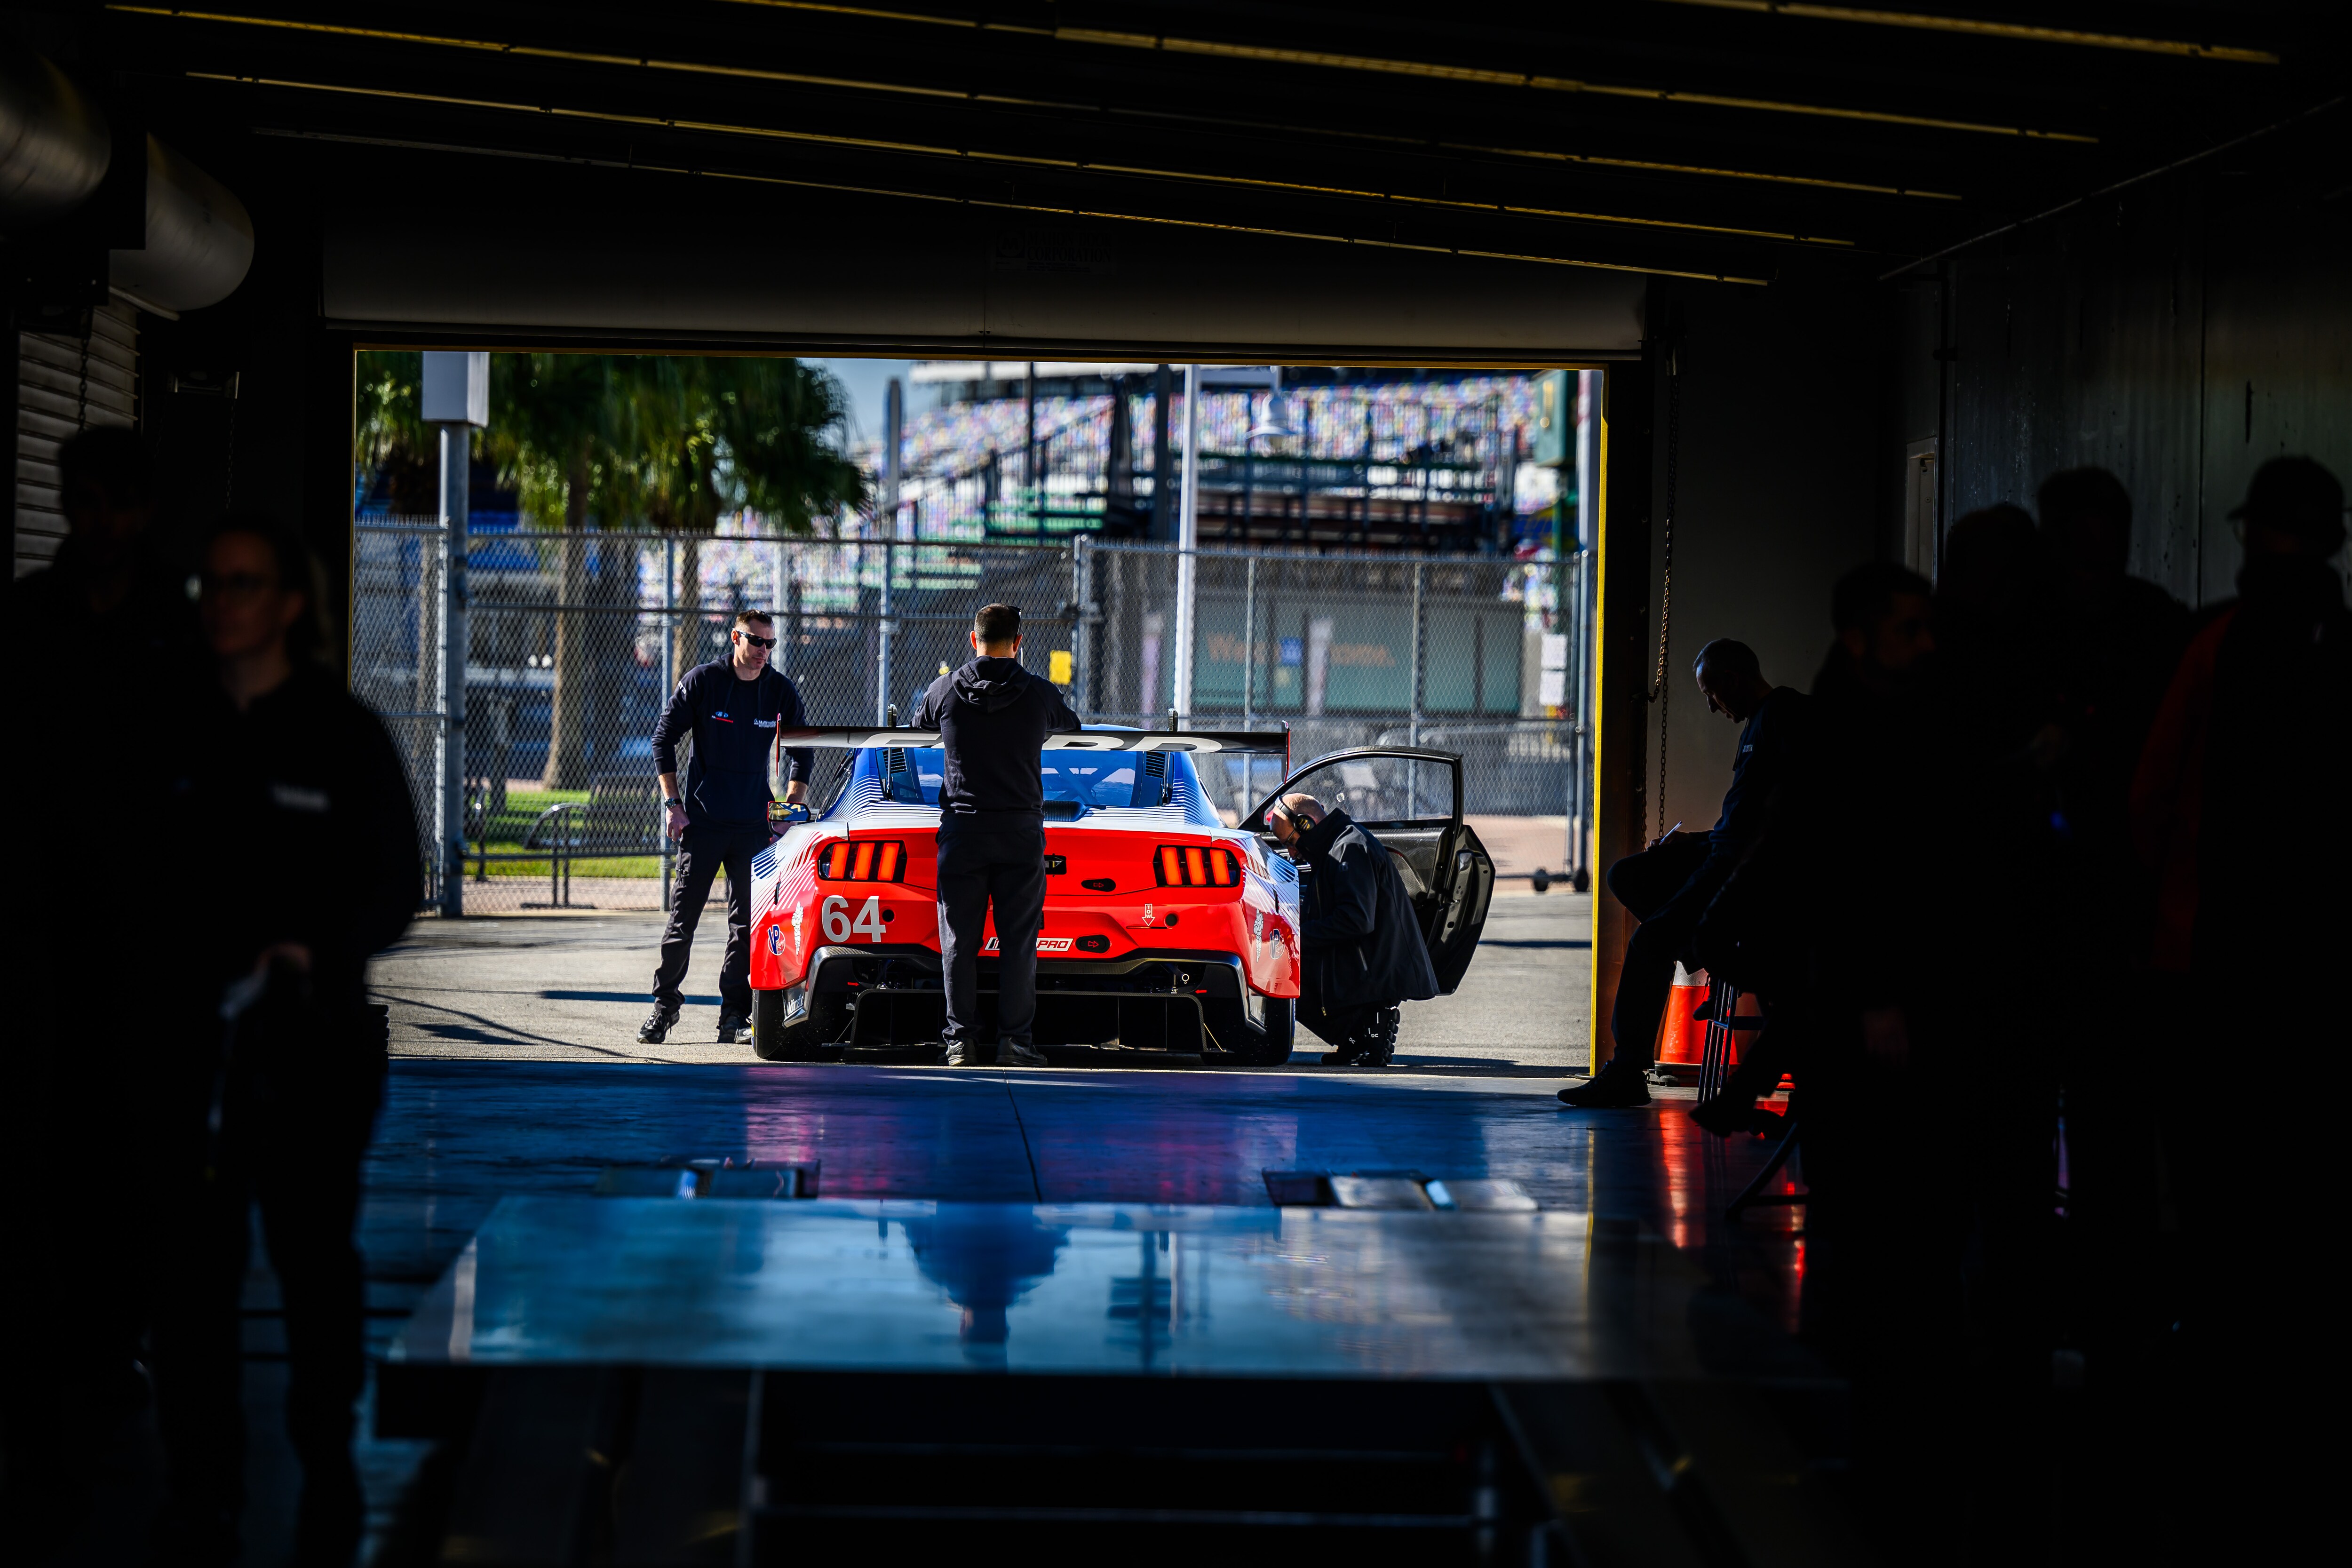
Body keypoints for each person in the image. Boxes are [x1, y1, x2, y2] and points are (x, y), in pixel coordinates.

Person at [150, 515, 420, 1566]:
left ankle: (324, 1459)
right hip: (185, 1052)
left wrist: (315, 951)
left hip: (312, 1048)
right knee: (190, 1279)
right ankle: (201, 1484)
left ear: (290, 603)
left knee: (315, 1265)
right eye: (209, 584)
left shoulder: (342, 734)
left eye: (244, 583)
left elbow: (397, 883)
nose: (222, 602)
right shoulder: (169, 731)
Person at [1559, 638, 1815, 1108]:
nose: (1711, 706)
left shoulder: (1785, 714)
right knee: (1627, 875)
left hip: (1741, 866)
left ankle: (1626, 1071)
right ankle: (1697, 948)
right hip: (1719, 851)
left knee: (1648, 942)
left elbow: (1791, 811)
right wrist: (1695, 839)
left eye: (1710, 693)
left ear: (1733, 679)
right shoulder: (1755, 725)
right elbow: (1742, 818)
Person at [911, 603, 1081, 1067]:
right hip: (1020, 830)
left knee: (959, 942)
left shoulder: (945, 690)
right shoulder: (1037, 692)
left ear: (973, 640)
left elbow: (918, 725)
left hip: (963, 829)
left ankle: (960, 1042)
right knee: (1019, 943)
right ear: (1018, 643)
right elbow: (1072, 727)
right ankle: (1015, 1042)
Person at [644, 610, 815, 1044]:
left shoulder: (778, 689)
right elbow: (663, 739)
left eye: (771, 644)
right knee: (683, 919)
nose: (764, 652)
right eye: (757, 642)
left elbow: (803, 749)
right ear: (736, 637)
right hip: (702, 823)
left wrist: (789, 807)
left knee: (746, 925)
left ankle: (734, 1014)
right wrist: (673, 805)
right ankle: (664, 1008)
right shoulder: (704, 681)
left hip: (752, 828)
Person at [1265, 792, 1438, 1067]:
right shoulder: (1335, 846)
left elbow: (1356, 919)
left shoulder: (1348, 848)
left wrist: (1297, 937)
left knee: (1280, 969)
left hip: (1373, 968)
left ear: (1307, 825)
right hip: (1364, 961)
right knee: (1282, 962)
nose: (1293, 852)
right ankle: (1356, 1035)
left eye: (1292, 843)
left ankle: (1370, 1024)